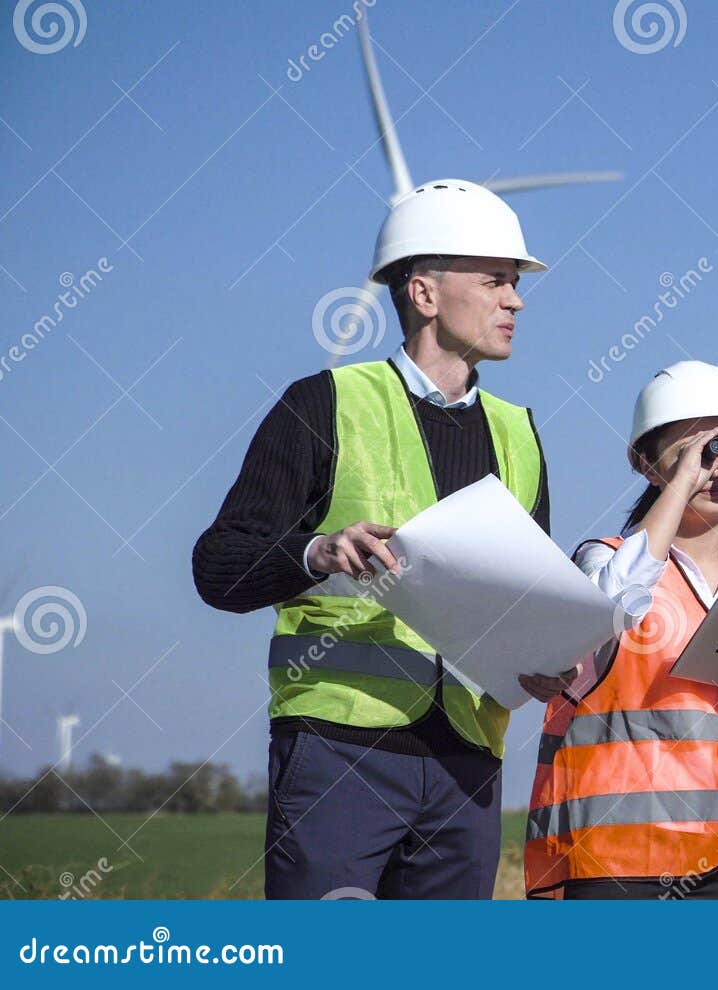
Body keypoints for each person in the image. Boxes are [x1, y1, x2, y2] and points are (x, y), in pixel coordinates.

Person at [192, 179, 550, 899]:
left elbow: (528, 602)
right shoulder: (323, 404)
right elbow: (217, 566)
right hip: (339, 754)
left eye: (515, 284)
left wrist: (547, 660)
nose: (516, 300)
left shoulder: (521, 434)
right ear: (423, 293)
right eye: (495, 281)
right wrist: (314, 552)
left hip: (468, 766)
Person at [522, 360, 718, 899]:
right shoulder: (601, 561)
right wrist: (679, 484)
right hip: (616, 858)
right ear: (648, 464)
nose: (716, 469)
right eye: (696, 452)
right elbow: (613, 607)